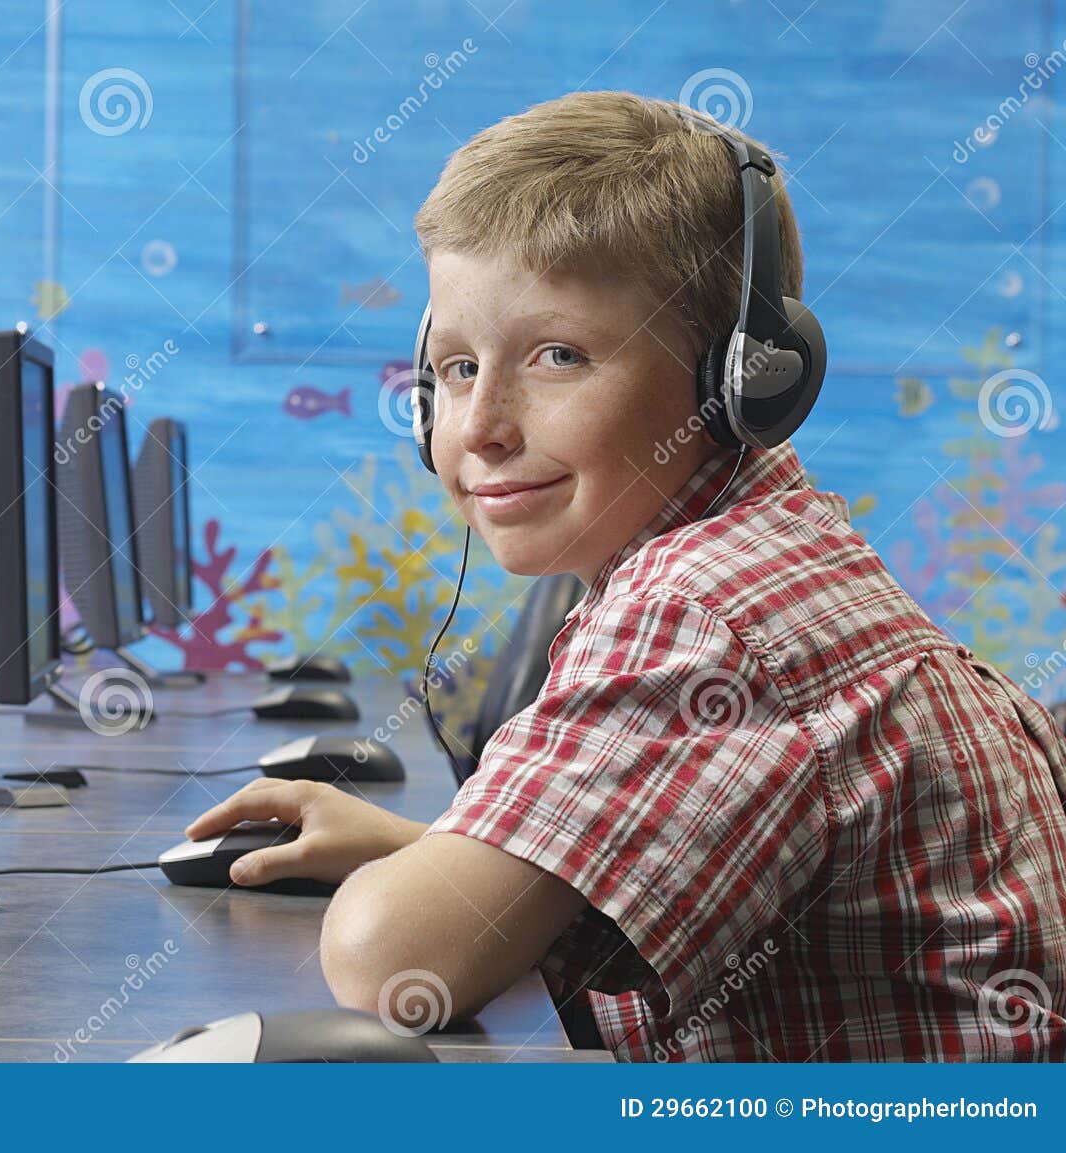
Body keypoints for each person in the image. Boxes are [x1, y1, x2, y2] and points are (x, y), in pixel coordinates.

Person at [184, 90, 1066, 1061]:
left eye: (558, 355)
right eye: (457, 368)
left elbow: (393, 964)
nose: (478, 425)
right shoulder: (773, 547)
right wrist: (431, 849)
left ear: (739, 380)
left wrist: (418, 885)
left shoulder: (703, 615)